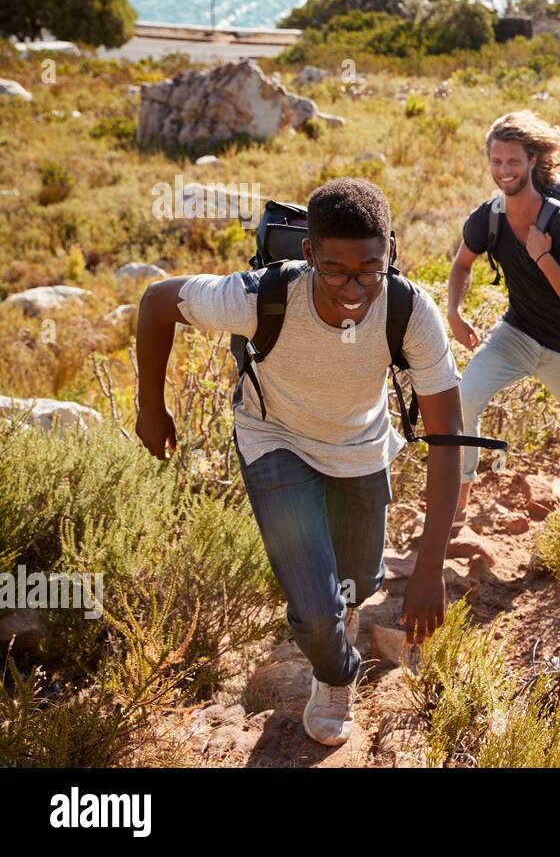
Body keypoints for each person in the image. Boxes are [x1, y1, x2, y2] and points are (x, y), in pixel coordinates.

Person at [134, 178, 465, 747]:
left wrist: (431, 561)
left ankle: (345, 611)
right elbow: (157, 302)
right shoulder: (261, 296)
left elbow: (448, 436)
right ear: (308, 254)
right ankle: (336, 675)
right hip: (276, 439)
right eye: (335, 269)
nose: (354, 286)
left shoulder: (410, 309)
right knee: (315, 611)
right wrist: (150, 406)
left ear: (390, 249)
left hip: (360, 446)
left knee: (357, 584)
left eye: (370, 267)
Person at [448, 111, 560, 530]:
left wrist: (542, 256)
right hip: (517, 333)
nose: (504, 171)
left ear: (533, 162)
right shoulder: (487, 218)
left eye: (514, 162)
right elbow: (461, 265)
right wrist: (453, 312)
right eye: (497, 162)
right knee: (464, 399)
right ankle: (461, 497)